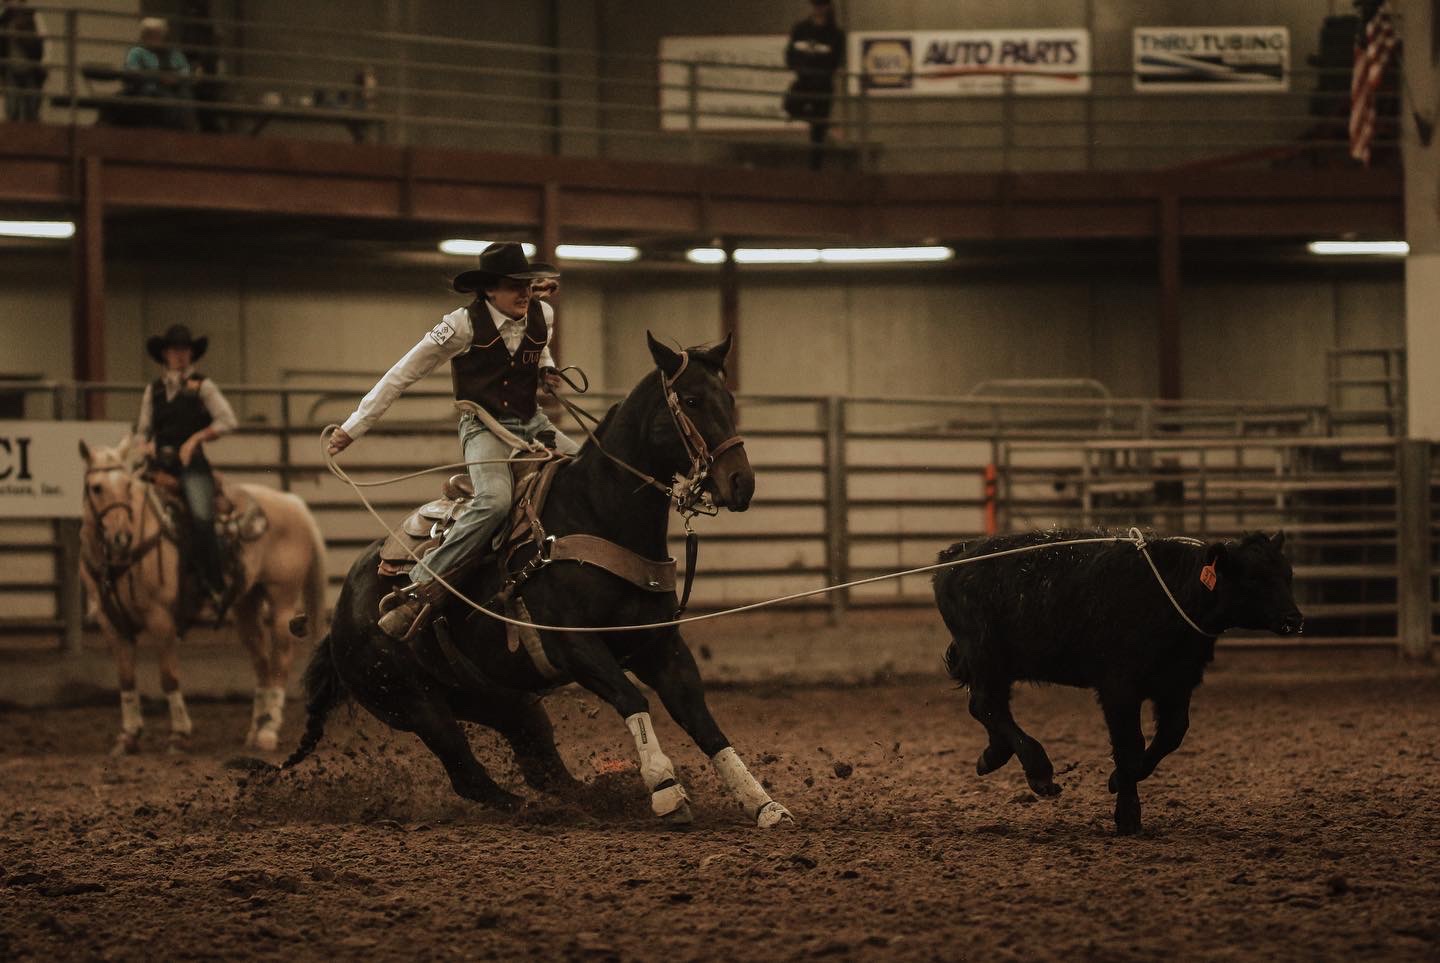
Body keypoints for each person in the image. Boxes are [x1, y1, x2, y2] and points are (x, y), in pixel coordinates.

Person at [328, 242, 580, 640]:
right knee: (494, 501)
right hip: (482, 426)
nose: (525, 293)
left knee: (590, 469)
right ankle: (419, 583)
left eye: (527, 285)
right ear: (489, 291)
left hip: (532, 423)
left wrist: (546, 369)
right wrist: (353, 427)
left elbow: (541, 347)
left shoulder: (542, 314)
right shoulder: (461, 325)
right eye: (514, 286)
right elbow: (401, 373)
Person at [134, 325, 238, 604]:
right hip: (159, 466)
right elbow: (142, 430)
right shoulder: (153, 390)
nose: (180, 356)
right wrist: (144, 445)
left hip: (192, 467)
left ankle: (215, 584)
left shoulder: (202, 386)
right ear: (165, 355)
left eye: (184, 350)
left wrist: (196, 438)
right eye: (174, 350)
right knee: (125, 508)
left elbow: (227, 420)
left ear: (191, 354)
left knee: (203, 519)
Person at [784, 0, 845, 171]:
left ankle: (815, 171)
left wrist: (816, 71)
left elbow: (834, 62)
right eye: (816, 5)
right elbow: (790, 55)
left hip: (822, 84)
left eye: (821, 5)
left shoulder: (836, 34)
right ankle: (824, 124)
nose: (818, 8)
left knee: (817, 135)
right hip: (804, 81)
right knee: (790, 106)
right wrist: (801, 69)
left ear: (827, 8)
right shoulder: (800, 28)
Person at [120, 17, 193, 130]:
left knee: (185, 96)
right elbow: (132, 71)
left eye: (158, 34)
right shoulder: (137, 52)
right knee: (159, 97)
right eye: (151, 34)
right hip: (147, 87)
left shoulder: (173, 53)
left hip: (173, 87)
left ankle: (184, 131)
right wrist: (157, 77)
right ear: (144, 35)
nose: (155, 37)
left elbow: (185, 69)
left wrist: (176, 78)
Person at [0, 0, 48, 123]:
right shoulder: (4, 19)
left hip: (31, 69)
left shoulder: (32, 17)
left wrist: (22, 35)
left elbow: (41, 47)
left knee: (31, 108)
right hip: (11, 68)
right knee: (12, 108)